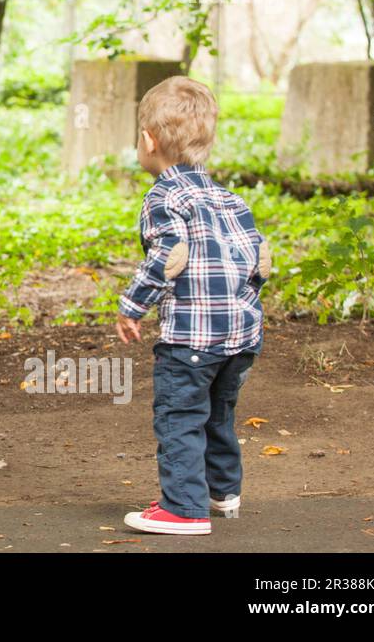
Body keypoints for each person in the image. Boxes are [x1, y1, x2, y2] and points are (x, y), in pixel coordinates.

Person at [116, 76, 271, 536]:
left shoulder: (162, 197)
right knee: (217, 412)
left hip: (190, 339)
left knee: (180, 415)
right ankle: (222, 492)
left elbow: (167, 257)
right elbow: (258, 260)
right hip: (241, 338)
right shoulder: (231, 199)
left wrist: (131, 307)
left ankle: (184, 509)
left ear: (148, 141)